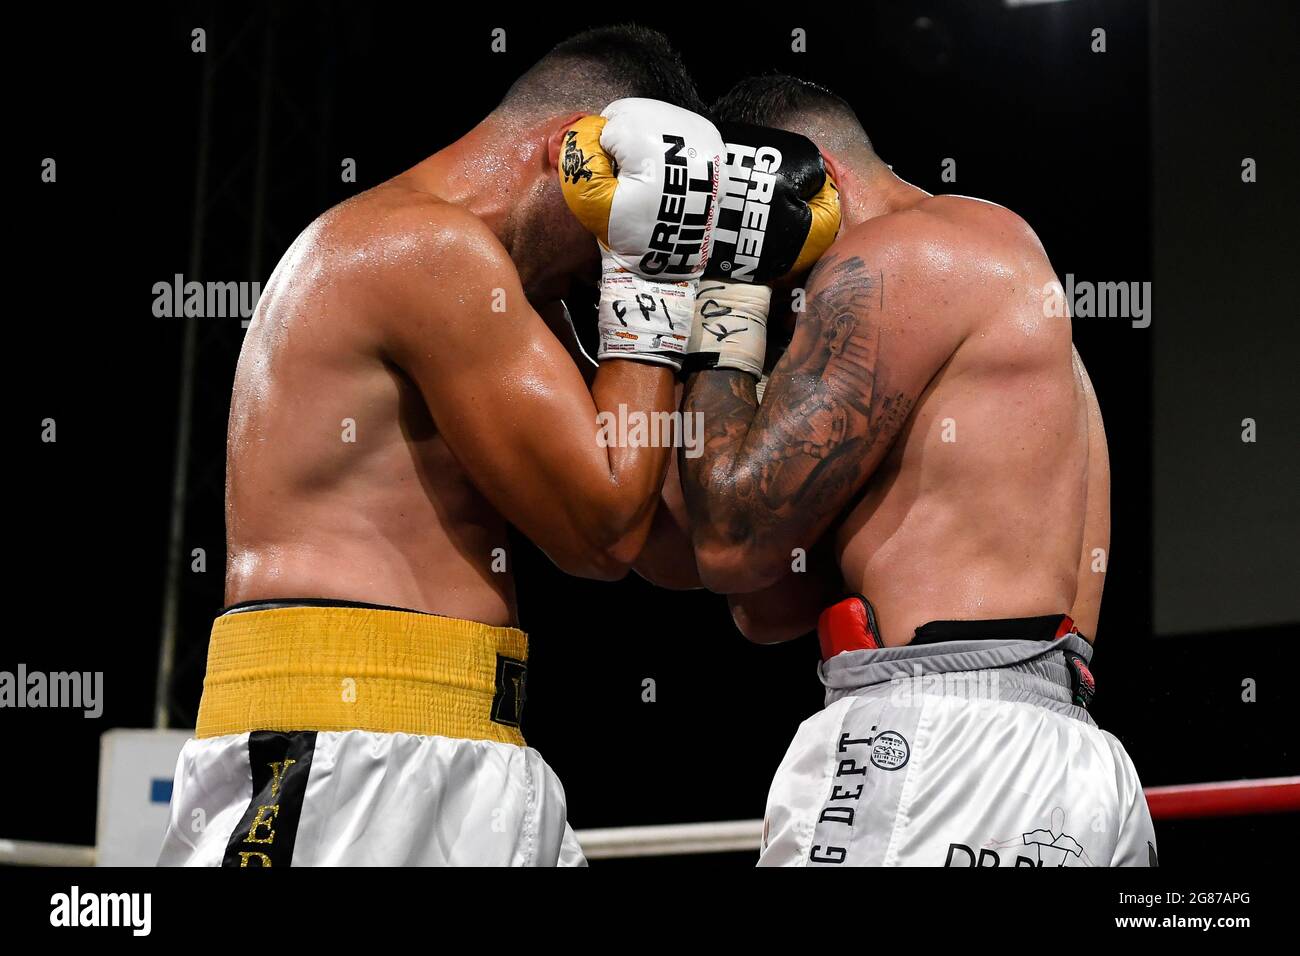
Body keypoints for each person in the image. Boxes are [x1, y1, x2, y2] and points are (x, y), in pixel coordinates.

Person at [158, 26, 723, 867]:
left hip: (459, 740)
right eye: (623, 220)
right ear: (573, 152)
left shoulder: (503, 291)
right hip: (345, 750)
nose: (608, 260)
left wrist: (721, 328)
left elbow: (673, 543)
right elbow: (604, 530)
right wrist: (654, 275)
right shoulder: (427, 250)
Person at [675, 74, 1155, 866]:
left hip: (936, 748)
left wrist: (719, 297)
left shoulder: (899, 254)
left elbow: (733, 540)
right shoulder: (989, 273)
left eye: (738, 217)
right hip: (1055, 755)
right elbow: (758, 601)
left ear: (801, 176)